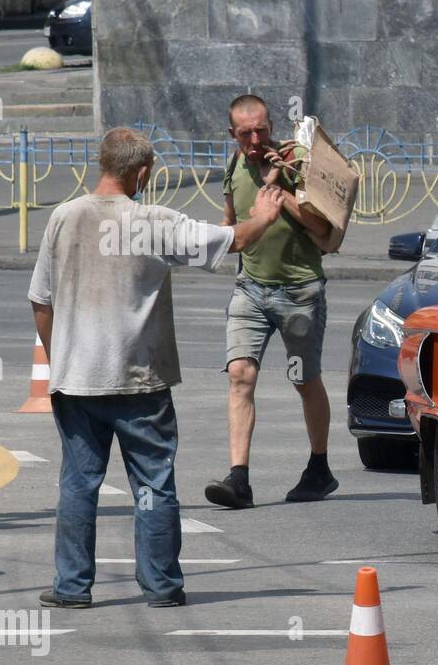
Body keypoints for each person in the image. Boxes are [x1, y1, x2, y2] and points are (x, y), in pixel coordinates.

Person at [28, 127, 284, 609]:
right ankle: (162, 586)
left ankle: (72, 586)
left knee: (79, 484)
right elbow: (232, 240)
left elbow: (40, 301)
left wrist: (59, 353)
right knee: (152, 484)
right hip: (139, 380)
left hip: (76, 380)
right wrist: (264, 214)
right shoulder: (152, 221)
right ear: (142, 172)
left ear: (103, 165)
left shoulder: (63, 217)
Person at [205, 94, 338, 510]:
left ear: (271, 124)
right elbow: (230, 225)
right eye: (246, 133)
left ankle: (319, 468)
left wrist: (280, 188)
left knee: (303, 379)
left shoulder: (296, 161)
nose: (256, 137)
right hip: (251, 288)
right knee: (240, 374)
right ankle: (238, 479)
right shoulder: (234, 166)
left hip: (300, 293)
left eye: (261, 128)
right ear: (233, 134)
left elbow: (323, 230)